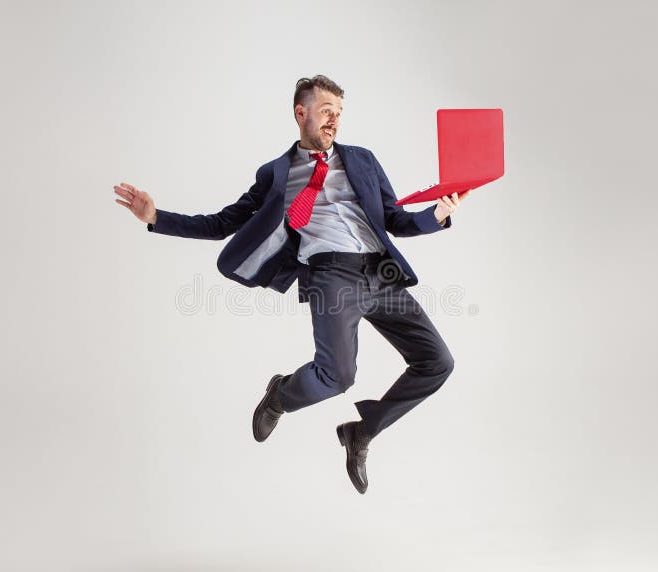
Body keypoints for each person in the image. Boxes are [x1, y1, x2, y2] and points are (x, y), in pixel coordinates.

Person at [114, 75, 467, 494]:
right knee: (337, 376)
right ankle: (281, 394)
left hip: (381, 271)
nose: (334, 120)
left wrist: (436, 216)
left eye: (339, 113)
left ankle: (364, 431)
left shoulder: (362, 160)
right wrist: (157, 217)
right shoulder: (276, 174)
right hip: (331, 273)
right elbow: (223, 223)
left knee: (437, 362)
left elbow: (394, 219)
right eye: (326, 111)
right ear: (302, 113)